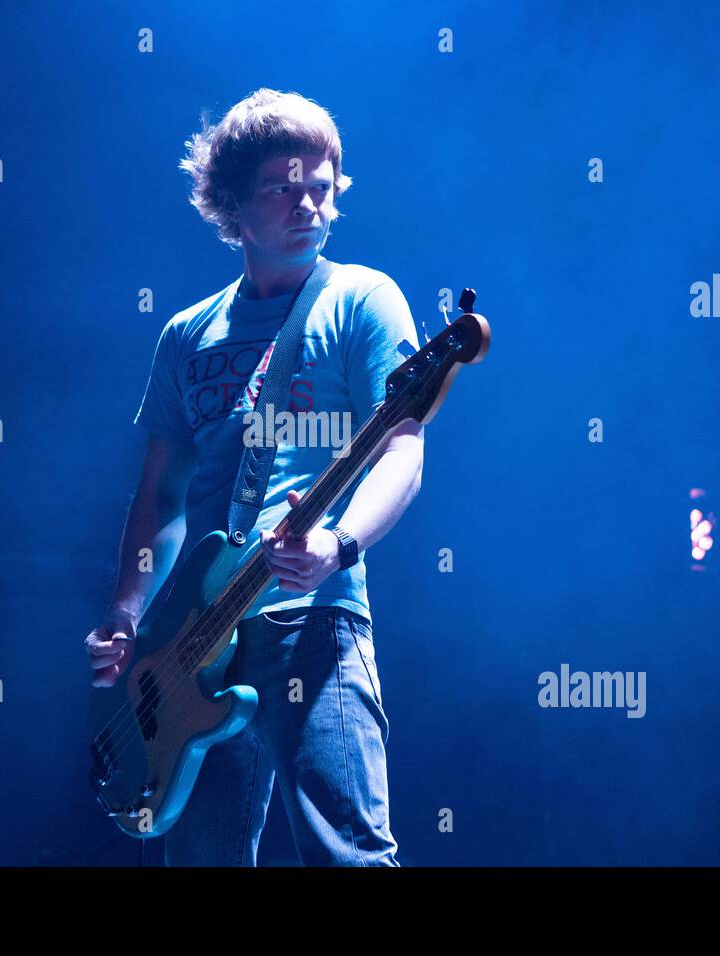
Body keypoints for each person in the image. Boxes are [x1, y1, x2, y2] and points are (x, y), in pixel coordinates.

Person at [85, 88, 423, 866]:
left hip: (310, 616)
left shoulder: (365, 298)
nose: (309, 203)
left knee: (350, 855)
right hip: (189, 641)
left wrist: (338, 544)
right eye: (284, 186)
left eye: (323, 185)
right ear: (233, 202)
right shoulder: (186, 333)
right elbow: (161, 497)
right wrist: (128, 614)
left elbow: (403, 451)